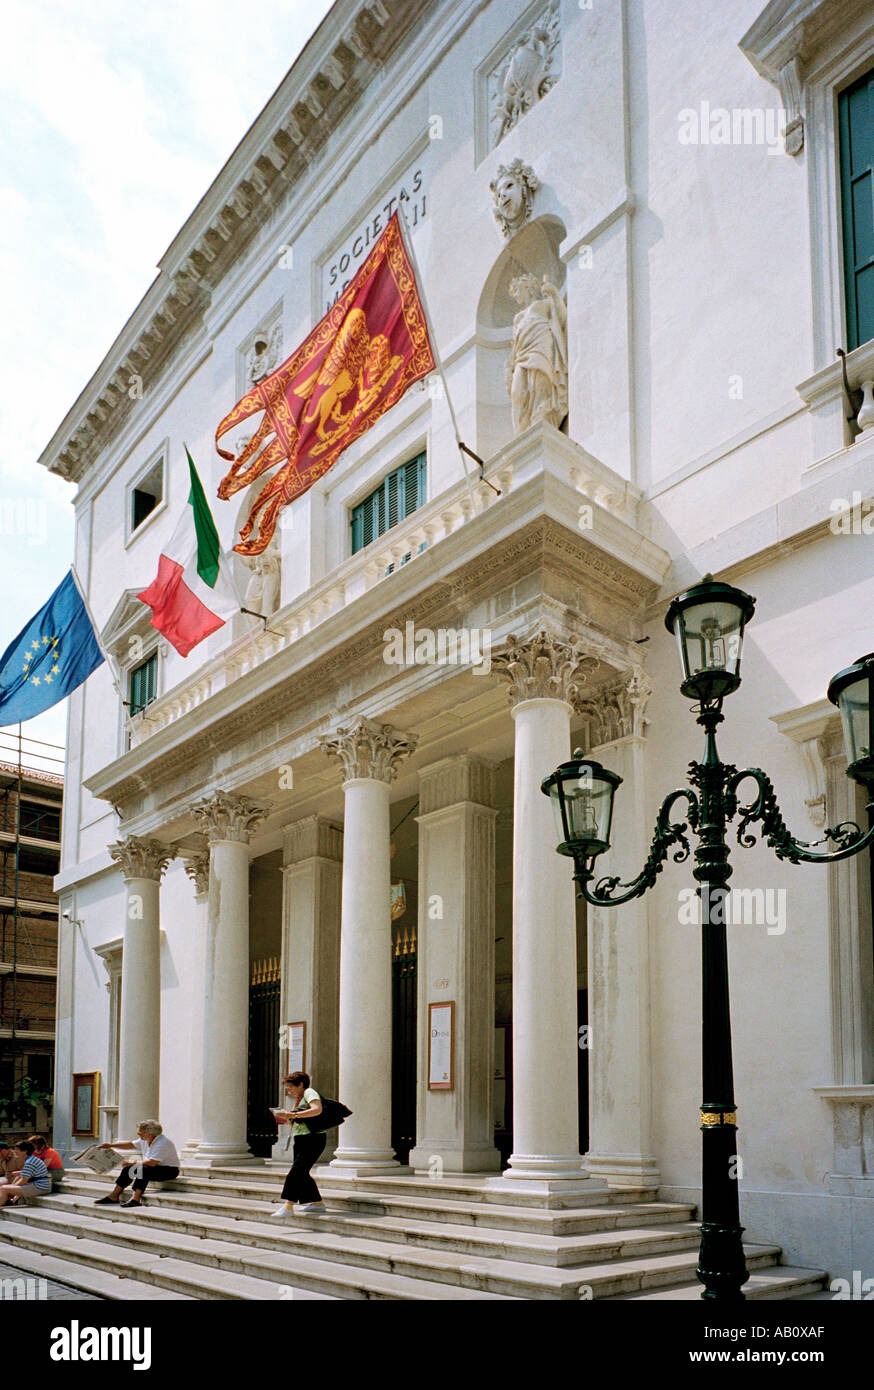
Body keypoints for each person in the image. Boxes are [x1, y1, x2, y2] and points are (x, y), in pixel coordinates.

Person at [271, 1071, 327, 1218]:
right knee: (302, 1171)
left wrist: (292, 1115)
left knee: (297, 1171)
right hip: (301, 1138)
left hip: (313, 1138)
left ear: (301, 1084)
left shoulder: (309, 1092)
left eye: (290, 1087)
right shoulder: (299, 1099)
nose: (289, 1091)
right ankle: (317, 1203)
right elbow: (297, 1122)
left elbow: (317, 1109)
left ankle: (288, 1206)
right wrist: (285, 1117)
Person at [93, 1120, 180, 1209]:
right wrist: (111, 1145)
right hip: (152, 1167)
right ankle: (114, 1196)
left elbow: (152, 1163)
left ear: (150, 1133)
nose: (139, 1135)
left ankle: (135, 1199)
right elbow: (130, 1145)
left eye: (140, 1133)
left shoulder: (163, 1143)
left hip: (169, 1170)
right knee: (129, 1169)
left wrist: (133, 1162)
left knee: (142, 1169)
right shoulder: (145, 1139)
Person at [0, 1140, 50, 1207]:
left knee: (3, 1188)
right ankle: (10, 1201)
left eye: (17, 1149)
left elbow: (24, 1180)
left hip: (39, 1187)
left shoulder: (29, 1162)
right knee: (15, 1180)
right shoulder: (31, 1159)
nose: (15, 1151)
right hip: (40, 1185)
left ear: (25, 1151)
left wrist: (12, 1187)